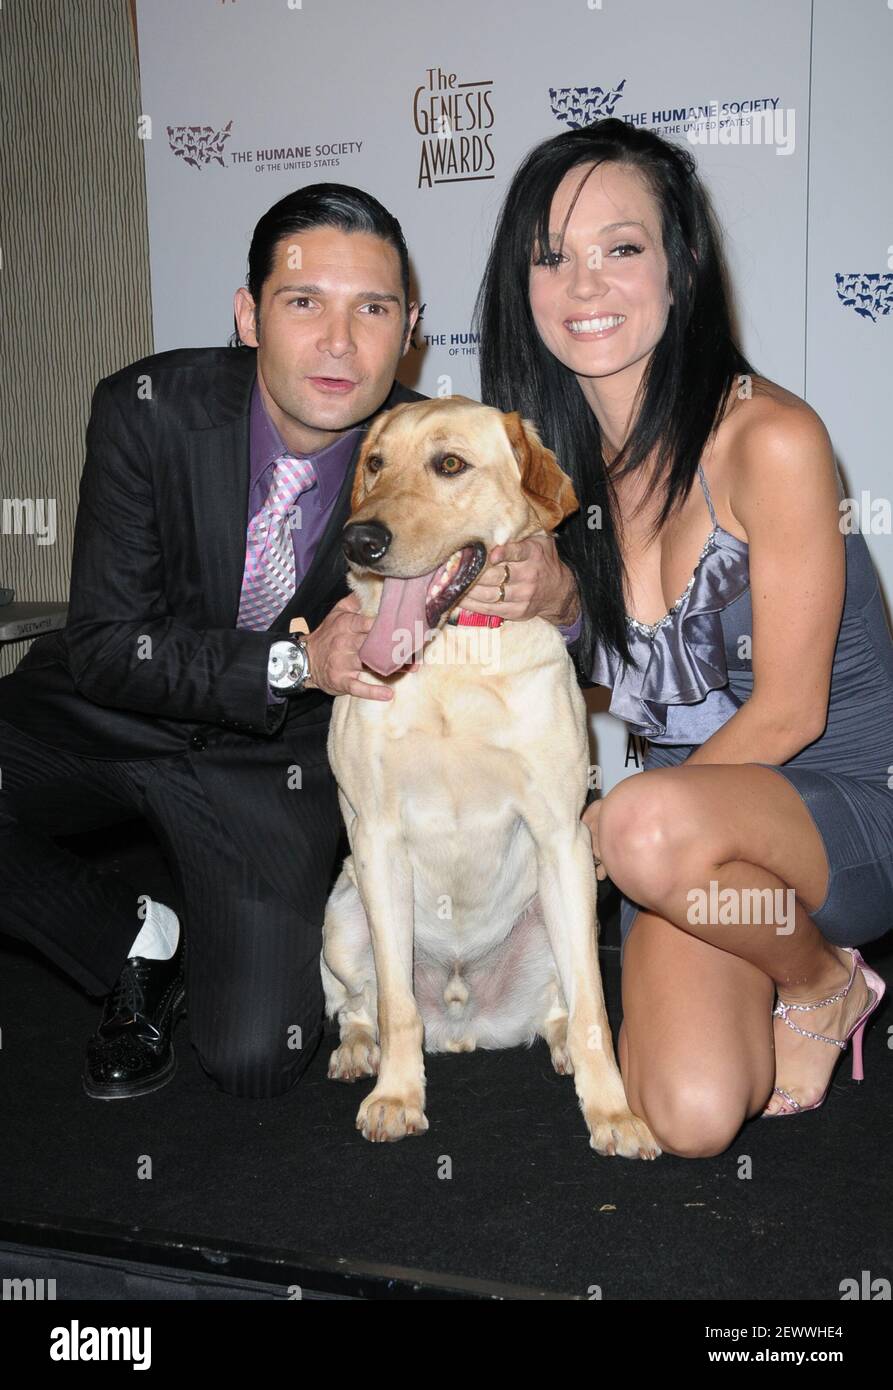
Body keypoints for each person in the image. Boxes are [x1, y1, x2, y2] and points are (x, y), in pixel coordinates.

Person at [0, 182, 582, 1103]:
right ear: (248, 316)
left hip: (270, 760)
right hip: (107, 711)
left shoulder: (426, 444)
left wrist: (558, 592)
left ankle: (220, 953)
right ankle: (134, 941)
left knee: (255, 1055)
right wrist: (294, 662)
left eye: (374, 309)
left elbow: (546, 534)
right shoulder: (147, 410)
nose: (340, 342)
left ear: (411, 329)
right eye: (304, 302)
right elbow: (108, 644)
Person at [471, 117, 891, 1158]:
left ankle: (823, 981)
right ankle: (754, 935)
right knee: (692, 1117)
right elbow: (622, 666)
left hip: (835, 802)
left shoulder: (771, 439)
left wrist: (623, 841)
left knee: (640, 823)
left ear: (678, 268)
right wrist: (557, 602)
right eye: (551, 257)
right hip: (692, 840)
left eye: (620, 247)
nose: (584, 284)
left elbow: (789, 712)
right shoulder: (545, 472)